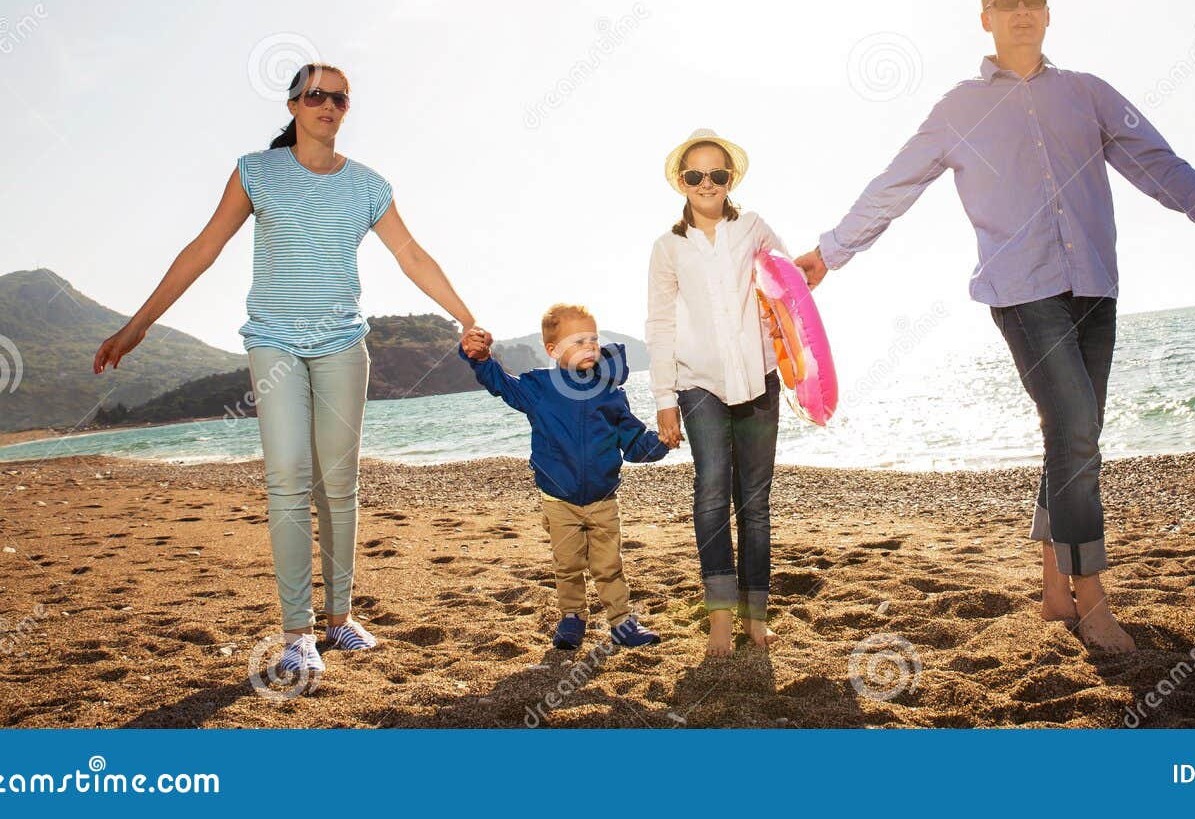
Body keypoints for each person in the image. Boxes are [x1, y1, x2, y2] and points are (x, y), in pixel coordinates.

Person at [795, 0, 1195, 652]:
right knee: (1076, 425)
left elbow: (1157, 164)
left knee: (1073, 435)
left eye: (1033, 1)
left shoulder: (1089, 94)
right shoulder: (958, 108)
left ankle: (1053, 589)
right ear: (984, 19)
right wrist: (830, 252)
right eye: (1006, 3)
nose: (1021, 12)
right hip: (1021, 291)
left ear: (1048, 15)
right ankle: (1092, 597)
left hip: (1094, 283)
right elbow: (893, 185)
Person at [93, 62, 480, 679]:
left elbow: (410, 254)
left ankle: (340, 619)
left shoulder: (369, 186)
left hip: (342, 347)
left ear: (346, 110)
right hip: (274, 343)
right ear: (295, 104)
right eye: (316, 95)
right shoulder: (257, 172)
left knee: (339, 482)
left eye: (340, 98)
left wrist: (465, 317)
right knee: (288, 476)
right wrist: (137, 325)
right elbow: (203, 247)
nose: (328, 104)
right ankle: (297, 632)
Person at [647, 130, 792, 657]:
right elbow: (660, 325)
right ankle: (720, 620)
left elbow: (790, 286)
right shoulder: (668, 248)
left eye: (717, 174)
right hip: (698, 382)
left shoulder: (753, 228)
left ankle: (757, 618)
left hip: (758, 379)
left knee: (754, 504)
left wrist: (799, 364)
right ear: (681, 184)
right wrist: (665, 398)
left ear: (731, 180)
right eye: (695, 175)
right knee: (711, 492)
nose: (706, 183)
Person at [458, 304, 671, 649]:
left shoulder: (610, 393)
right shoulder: (539, 387)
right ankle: (572, 617)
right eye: (577, 341)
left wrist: (661, 441)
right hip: (558, 499)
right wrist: (480, 360)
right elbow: (502, 385)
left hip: (603, 498)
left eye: (593, 339)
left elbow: (632, 443)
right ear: (552, 350)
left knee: (608, 565)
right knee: (568, 563)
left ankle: (622, 623)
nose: (589, 346)